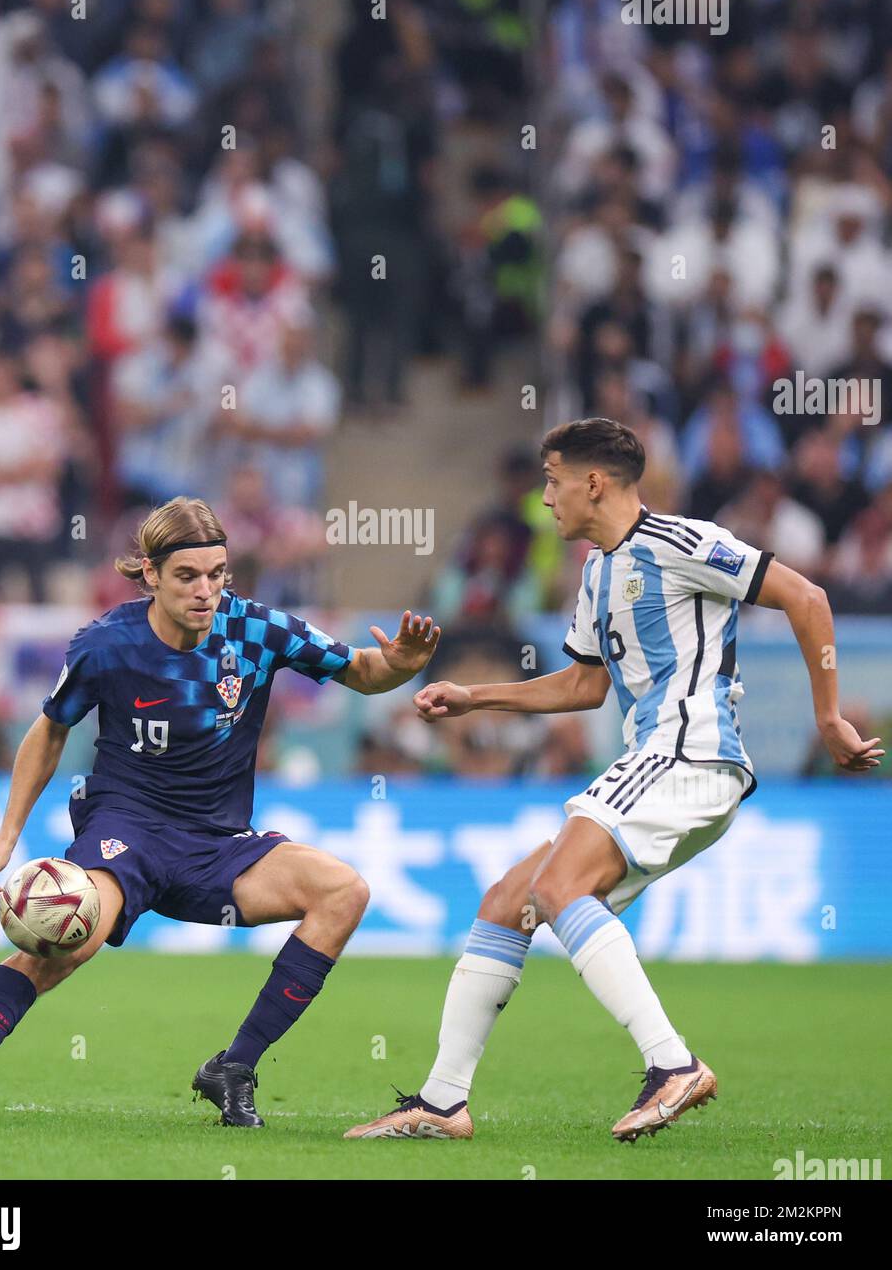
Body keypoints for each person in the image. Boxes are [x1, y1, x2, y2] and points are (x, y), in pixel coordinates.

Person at [345, 418, 881, 1143]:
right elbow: (580, 687)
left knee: (557, 887)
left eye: (552, 479)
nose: (544, 498)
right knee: (507, 901)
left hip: (685, 755)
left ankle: (672, 1064)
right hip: (653, 763)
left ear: (592, 482)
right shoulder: (599, 570)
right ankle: (442, 1102)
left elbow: (806, 597)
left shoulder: (681, 541)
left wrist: (826, 719)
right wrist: (476, 697)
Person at [0, 496, 441, 1129]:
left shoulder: (260, 631)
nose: (205, 590)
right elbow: (47, 732)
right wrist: (6, 834)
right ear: (151, 575)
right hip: (125, 832)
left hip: (218, 846)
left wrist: (399, 665)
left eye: (217, 575)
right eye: (187, 576)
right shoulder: (107, 645)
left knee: (344, 892)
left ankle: (233, 1067)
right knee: (66, 941)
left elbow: (364, 671)